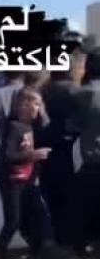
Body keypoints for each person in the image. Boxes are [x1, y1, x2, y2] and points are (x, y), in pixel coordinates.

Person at [0, 87, 55, 259]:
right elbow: (8, 156)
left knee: (36, 214)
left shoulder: (30, 126)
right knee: (12, 222)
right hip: (13, 181)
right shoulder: (14, 127)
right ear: (23, 106)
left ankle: (36, 252)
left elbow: (45, 124)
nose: (37, 108)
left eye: (38, 104)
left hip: (26, 180)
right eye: (34, 104)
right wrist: (33, 155)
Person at [41, 50, 86, 247]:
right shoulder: (76, 92)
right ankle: (69, 239)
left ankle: (51, 237)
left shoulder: (43, 90)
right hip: (70, 149)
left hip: (45, 149)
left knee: (49, 196)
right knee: (70, 196)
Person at [68, 48, 100, 254]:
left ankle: (82, 246)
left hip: (89, 159)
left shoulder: (81, 94)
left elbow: (71, 127)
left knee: (84, 207)